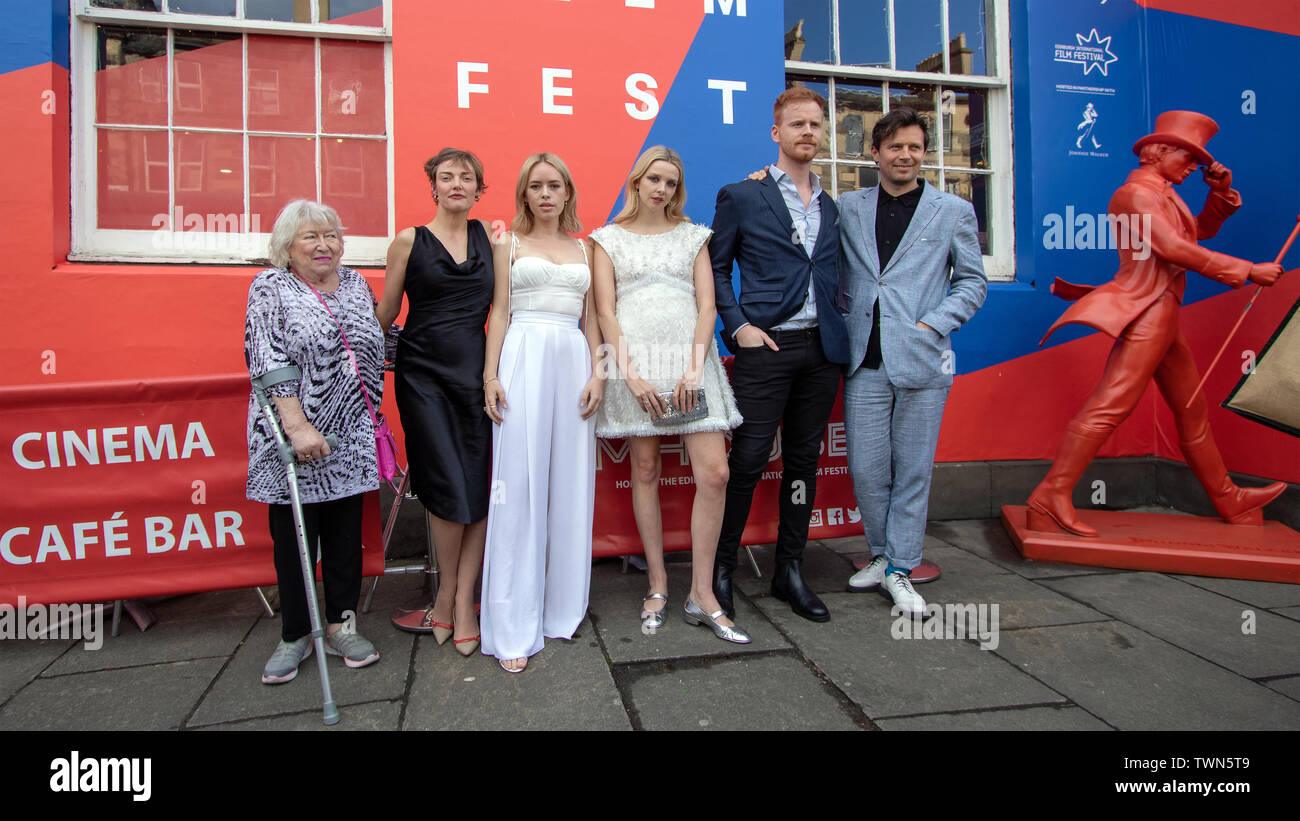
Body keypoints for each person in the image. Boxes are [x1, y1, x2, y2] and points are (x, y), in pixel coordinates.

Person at [1027, 110, 1285, 536]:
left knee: (1191, 411)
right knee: (1111, 406)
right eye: (1188, 158)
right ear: (1159, 152)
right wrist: (1247, 271)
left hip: (1163, 313)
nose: (1193, 167)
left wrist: (1220, 194)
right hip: (1149, 310)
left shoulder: (1163, 193)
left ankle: (1229, 499)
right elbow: (1174, 249)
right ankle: (1051, 494)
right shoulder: (1136, 195)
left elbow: (1198, 233)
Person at [590, 146, 749, 644]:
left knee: (716, 472)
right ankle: (657, 584)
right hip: (636, 369)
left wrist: (695, 367)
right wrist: (630, 376)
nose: (661, 189)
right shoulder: (605, 240)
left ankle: (702, 592)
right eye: (654, 179)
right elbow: (605, 313)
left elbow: (707, 307)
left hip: (690, 369)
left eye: (671, 182)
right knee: (645, 469)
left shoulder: (694, 236)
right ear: (636, 182)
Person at [838, 108, 988, 616]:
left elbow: (972, 282)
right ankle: (881, 554)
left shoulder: (952, 211)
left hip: (923, 359)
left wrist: (934, 323)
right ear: (875, 152)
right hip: (864, 361)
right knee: (867, 469)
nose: (905, 155)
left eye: (915, 148)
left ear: (924, 154)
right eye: (895, 146)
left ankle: (901, 567)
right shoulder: (849, 207)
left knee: (914, 471)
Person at [708, 87, 850, 623]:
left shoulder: (834, 206)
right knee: (744, 462)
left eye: (815, 124)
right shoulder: (742, 196)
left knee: (803, 463)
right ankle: (719, 570)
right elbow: (716, 269)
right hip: (766, 347)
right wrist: (738, 325)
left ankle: (789, 569)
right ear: (776, 132)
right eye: (797, 124)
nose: (807, 133)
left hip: (821, 350)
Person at [245, 199, 383, 684]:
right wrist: (298, 426)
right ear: (288, 246)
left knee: (346, 537)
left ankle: (343, 624)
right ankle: (295, 634)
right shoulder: (270, 287)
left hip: (349, 433)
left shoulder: (357, 284)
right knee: (296, 540)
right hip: (293, 435)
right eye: (311, 237)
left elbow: (370, 347)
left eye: (331, 236)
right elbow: (265, 358)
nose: (324, 245)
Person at [479, 153, 604, 673]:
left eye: (555, 185)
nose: (546, 194)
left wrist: (600, 373)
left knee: (571, 488)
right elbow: (500, 311)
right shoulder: (507, 243)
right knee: (519, 487)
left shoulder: (586, 248)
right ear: (524, 193)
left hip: (573, 360)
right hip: (523, 356)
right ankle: (512, 623)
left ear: (568, 192)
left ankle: (560, 610)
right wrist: (490, 376)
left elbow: (594, 318)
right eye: (536, 186)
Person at [376, 148, 492, 656]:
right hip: (421, 377)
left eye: (466, 178)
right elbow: (384, 313)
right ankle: (447, 593)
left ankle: (463, 599)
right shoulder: (408, 241)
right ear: (433, 186)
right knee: (446, 487)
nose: (457, 184)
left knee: (480, 485)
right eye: (447, 177)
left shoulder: (493, 239)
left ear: (477, 188)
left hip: (478, 376)